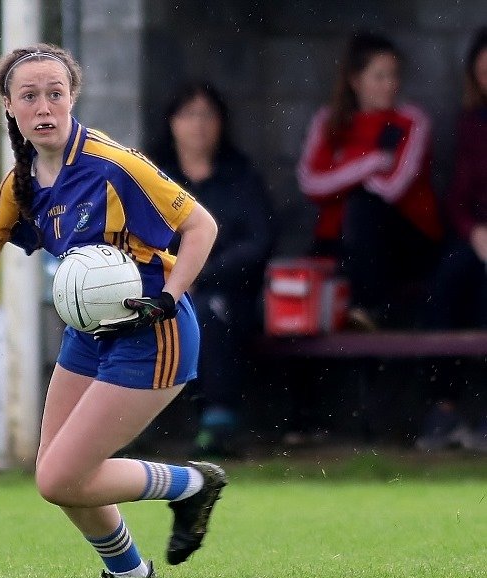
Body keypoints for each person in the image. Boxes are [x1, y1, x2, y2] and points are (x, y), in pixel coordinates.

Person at [0, 43, 225, 578]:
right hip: (89, 332)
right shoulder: (24, 179)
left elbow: (200, 226)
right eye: (29, 96)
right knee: (59, 473)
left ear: (73, 97)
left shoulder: (113, 165)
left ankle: (192, 484)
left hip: (152, 330)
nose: (44, 107)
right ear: (9, 106)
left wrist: (169, 296)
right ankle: (129, 574)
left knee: (59, 478)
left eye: (55, 93)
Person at [148, 81, 276, 459]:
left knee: (209, 310)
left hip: (230, 290)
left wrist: (202, 274)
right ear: (171, 122)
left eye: (207, 115)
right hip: (162, 287)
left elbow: (258, 241)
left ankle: (218, 420)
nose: (198, 124)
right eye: (189, 114)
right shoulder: (154, 178)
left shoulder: (241, 178)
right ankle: (129, 427)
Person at [296, 31, 443, 330]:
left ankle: (370, 310)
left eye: (394, 75)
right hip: (339, 241)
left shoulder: (411, 121)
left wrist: (340, 174)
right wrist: (371, 163)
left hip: (404, 240)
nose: (390, 84)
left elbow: (392, 188)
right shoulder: (329, 121)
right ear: (355, 80)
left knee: (363, 206)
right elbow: (310, 183)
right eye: (380, 76)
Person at [416, 26, 487, 452]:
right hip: (478, 238)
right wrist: (475, 232)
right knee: (447, 283)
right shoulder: (472, 125)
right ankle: (443, 408)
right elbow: (458, 197)